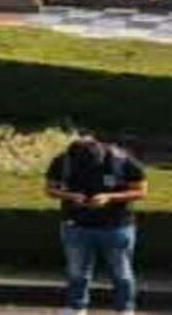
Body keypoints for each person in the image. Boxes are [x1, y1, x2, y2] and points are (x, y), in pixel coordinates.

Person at [45, 135, 148, 314]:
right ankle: (77, 307)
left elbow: (141, 190)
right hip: (76, 224)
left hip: (116, 225)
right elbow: (49, 188)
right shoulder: (64, 160)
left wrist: (109, 197)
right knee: (77, 271)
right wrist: (70, 196)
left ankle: (125, 309)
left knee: (121, 273)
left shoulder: (122, 159)